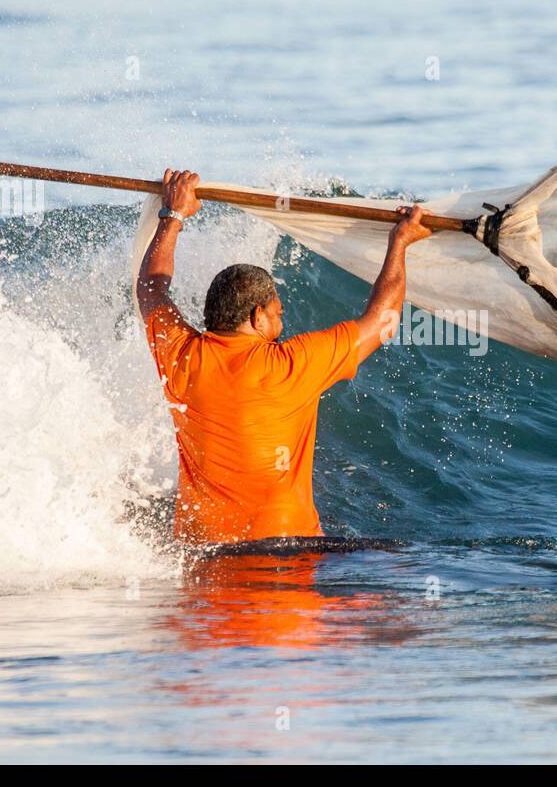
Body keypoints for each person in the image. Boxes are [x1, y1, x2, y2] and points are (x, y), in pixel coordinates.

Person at [135, 169, 431, 544]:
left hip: (203, 554)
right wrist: (400, 242)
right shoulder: (293, 364)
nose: (281, 316)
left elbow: (151, 289)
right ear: (257, 316)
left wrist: (173, 215)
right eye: (277, 311)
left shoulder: (179, 352)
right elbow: (383, 320)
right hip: (287, 553)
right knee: (404, 575)